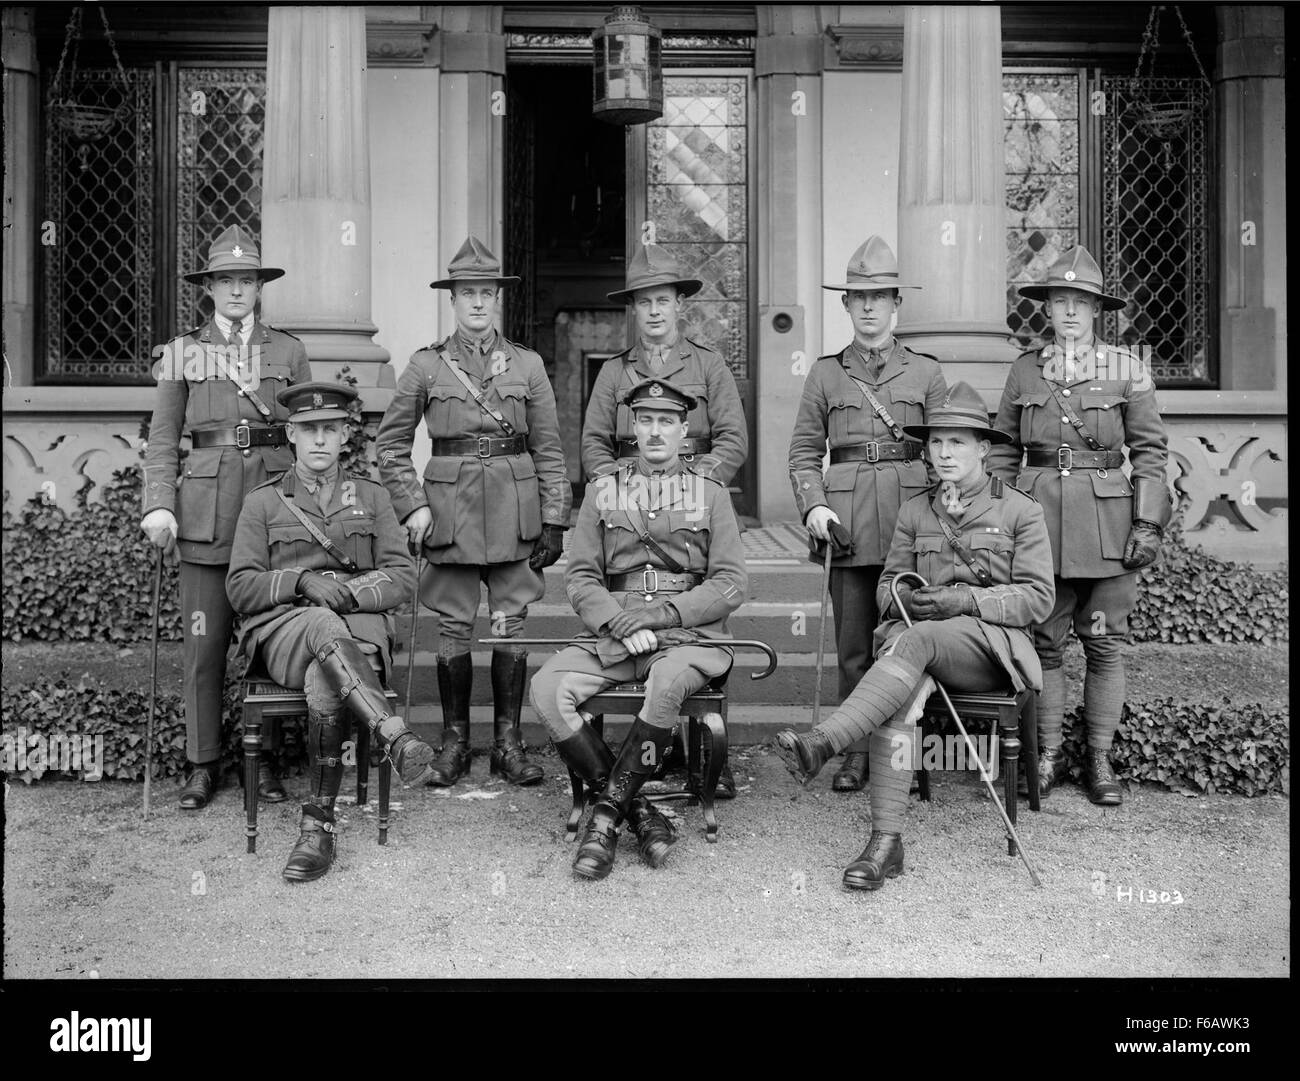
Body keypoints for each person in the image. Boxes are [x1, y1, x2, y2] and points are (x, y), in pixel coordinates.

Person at [775, 382, 1055, 892]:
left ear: (984, 450)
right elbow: (886, 586)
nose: (944, 454)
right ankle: (886, 843)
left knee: (917, 643)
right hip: (920, 642)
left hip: (990, 648)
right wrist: (907, 599)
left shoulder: (1020, 511)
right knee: (903, 690)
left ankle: (827, 740)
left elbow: (1038, 598)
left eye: (958, 443)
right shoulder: (914, 510)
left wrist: (964, 601)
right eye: (936, 443)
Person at [531, 379, 748, 881]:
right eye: (645, 420)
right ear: (633, 426)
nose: (654, 431)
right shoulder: (603, 491)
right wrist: (614, 620)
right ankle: (639, 813)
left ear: (684, 430)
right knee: (546, 688)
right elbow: (581, 575)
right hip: (616, 632)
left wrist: (662, 615)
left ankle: (604, 820)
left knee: (668, 682)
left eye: (666, 422)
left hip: (689, 638)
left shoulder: (711, 493)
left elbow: (733, 583)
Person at [375, 236, 571, 788]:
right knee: (455, 626)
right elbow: (390, 446)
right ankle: (455, 742)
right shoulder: (425, 366)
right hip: (449, 511)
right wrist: (411, 505)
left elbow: (551, 449)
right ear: (453, 301)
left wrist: (554, 518)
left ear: (498, 300)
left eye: (487, 293)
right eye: (467, 294)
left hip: (515, 510)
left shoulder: (528, 366)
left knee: (510, 622)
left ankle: (508, 742)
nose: (478, 303)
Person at [226, 382, 438, 882]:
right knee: (320, 623)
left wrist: (351, 594)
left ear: (346, 436)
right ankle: (393, 732)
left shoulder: (373, 496)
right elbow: (240, 586)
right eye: (309, 430)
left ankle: (317, 825)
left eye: (330, 429)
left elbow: (403, 576)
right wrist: (300, 581)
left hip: (356, 632)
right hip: (282, 634)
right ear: (291, 436)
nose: (320, 439)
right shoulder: (263, 502)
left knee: (329, 669)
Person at [989, 246, 1171, 806]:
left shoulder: (1126, 370)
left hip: (1109, 524)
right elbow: (1001, 451)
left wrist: (1148, 523)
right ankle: (1046, 756)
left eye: (1080, 302)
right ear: (1048, 308)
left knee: (1104, 644)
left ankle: (1098, 756)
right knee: (1044, 643)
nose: (1069, 312)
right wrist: (994, 520)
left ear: (1097, 310)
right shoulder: (1024, 370)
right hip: (1038, 519)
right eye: (1059, 301)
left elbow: (1151, 453)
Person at [140, 224, 312, 810]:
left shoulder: (288, 351)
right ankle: (203, 763)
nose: (237, 289)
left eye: (247, 279)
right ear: (209, 287)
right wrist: (160, 503)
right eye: (226, 280)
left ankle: (262, 764)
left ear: (259, 288)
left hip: (272, 512)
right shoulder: (181, 352)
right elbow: (163, 439)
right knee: (204, 644)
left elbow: (305, 434)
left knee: (269, 644)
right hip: (206, 516)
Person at [787, 235, 947, 793]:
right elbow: (804, 453)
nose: (870, 306)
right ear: (846, 306)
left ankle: (903, 752)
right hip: (847, 527)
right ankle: (856, 751)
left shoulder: (926, 373)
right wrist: (815, 506)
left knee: (908, 645)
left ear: (897, 304)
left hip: (912, 528)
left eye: (880, 296)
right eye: (859, 297)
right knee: (855, 648)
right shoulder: (826, 374)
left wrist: (943, 524)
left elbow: (945, 452)